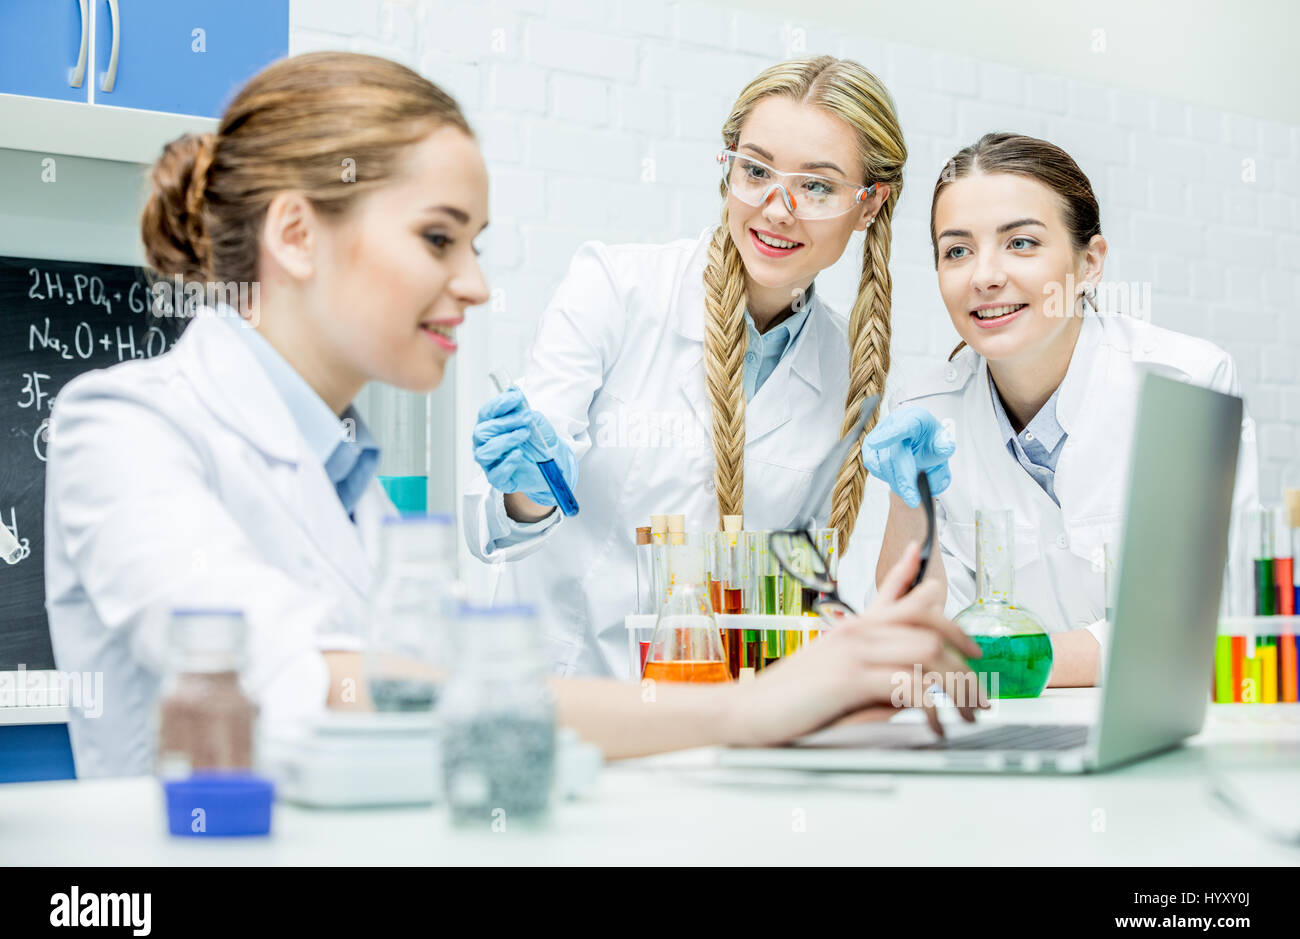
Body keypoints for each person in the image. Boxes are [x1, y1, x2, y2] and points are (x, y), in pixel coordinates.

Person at [44, 52, 981, 779]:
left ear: (868, 204)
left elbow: (423, 706)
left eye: (475, 243)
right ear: (295, 234)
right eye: (438, 238)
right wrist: (737, 712)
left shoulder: (353, 486)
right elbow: (318, 691)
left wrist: (866, 603)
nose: (479, 285)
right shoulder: (122, 428)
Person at [466, 56, 951, 677]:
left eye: (817, 186)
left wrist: (914, 506)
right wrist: (527, 491)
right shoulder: (616, 288)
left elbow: (801, 586)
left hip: (716, 710)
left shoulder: (850, 374)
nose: (778, 208)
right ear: (729, 172)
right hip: (561, 694)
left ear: (869, 205)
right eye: (756, 171)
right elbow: (500, 527)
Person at [868, 133, 1260, 686]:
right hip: (999, 747)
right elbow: (907, 641)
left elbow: (1215, 618)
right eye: (957, 250)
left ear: (1091, 262)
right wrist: (911, 498)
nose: (984, 276)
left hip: (1160, 738)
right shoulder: (927, 415)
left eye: (1021, 243)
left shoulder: (1189, 383)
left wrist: (1013, 661)